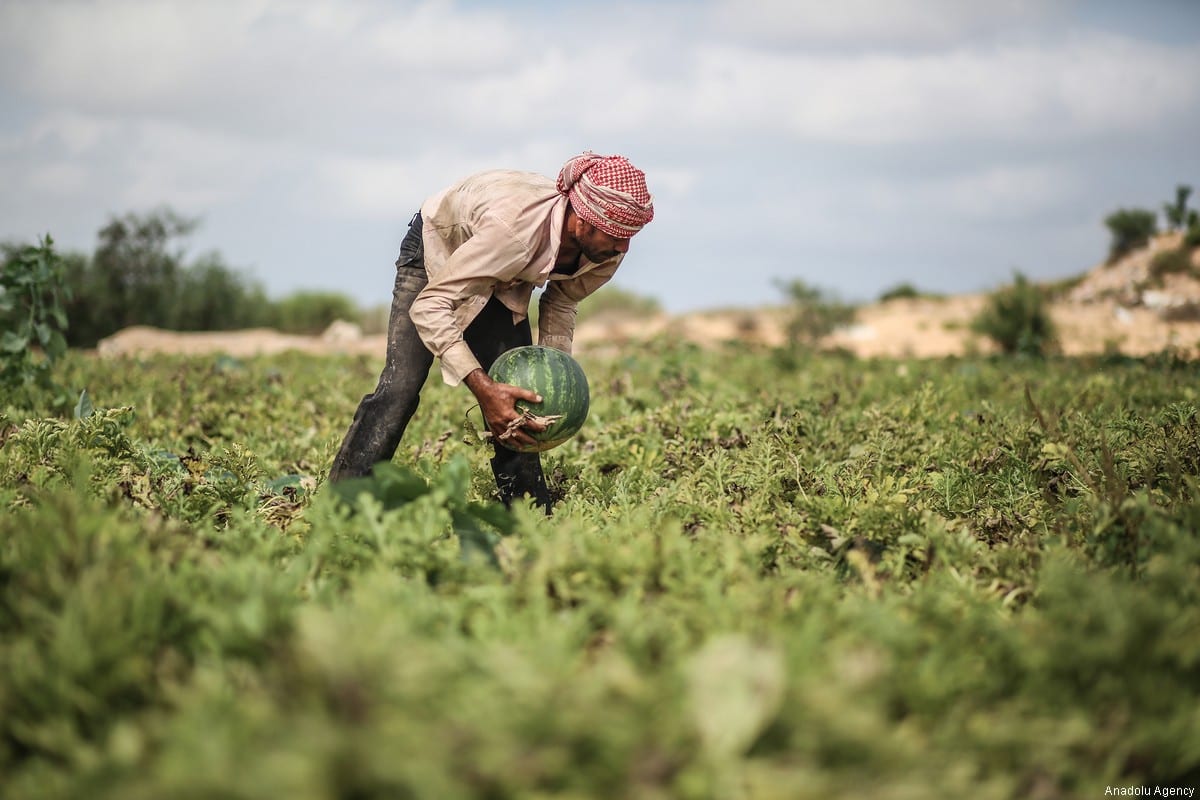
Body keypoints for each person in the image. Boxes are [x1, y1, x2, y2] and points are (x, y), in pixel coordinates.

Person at [328, 151, 655, 512]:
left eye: (630, 236)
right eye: (615, 235)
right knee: (400, 388)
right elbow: (430, 306)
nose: (623, 247)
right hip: (440, 249)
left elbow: (561, 302)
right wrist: (483, 388)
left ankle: (530, 519)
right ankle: (342, 506)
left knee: (519, 399)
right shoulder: (513, 233)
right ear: (581, 220)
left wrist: (555, 379)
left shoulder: (607, 250)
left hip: (506, 275)